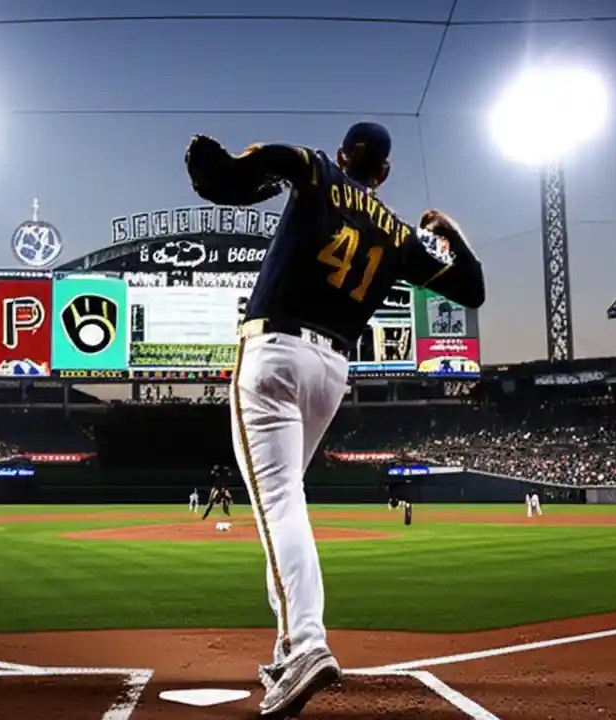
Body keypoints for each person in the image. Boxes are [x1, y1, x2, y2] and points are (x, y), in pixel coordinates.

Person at [185, 122, 485, 719]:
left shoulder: (316, 167)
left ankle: (307, 644)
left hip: (273, 353)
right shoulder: (400, 235)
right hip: (331, 371)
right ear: (385, 173)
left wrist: (205, 158)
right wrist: (449, 232)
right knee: (286, 499)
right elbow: (472, 288)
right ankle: (286, 647)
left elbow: (234, 175)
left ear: (346, 154)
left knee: (278, 504)